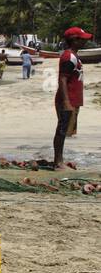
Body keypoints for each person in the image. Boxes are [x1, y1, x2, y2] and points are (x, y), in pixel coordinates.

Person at [52, 25, 91, 169]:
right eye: (82, 39)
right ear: (74, 40)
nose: (85, 42)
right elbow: (62, 80)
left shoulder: (74, 56)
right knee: (61, 130)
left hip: (73, 99)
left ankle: (60, 160)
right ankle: (58, 162)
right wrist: (67, 102)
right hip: (67, 100)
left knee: (66, 131)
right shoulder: (69, 57)